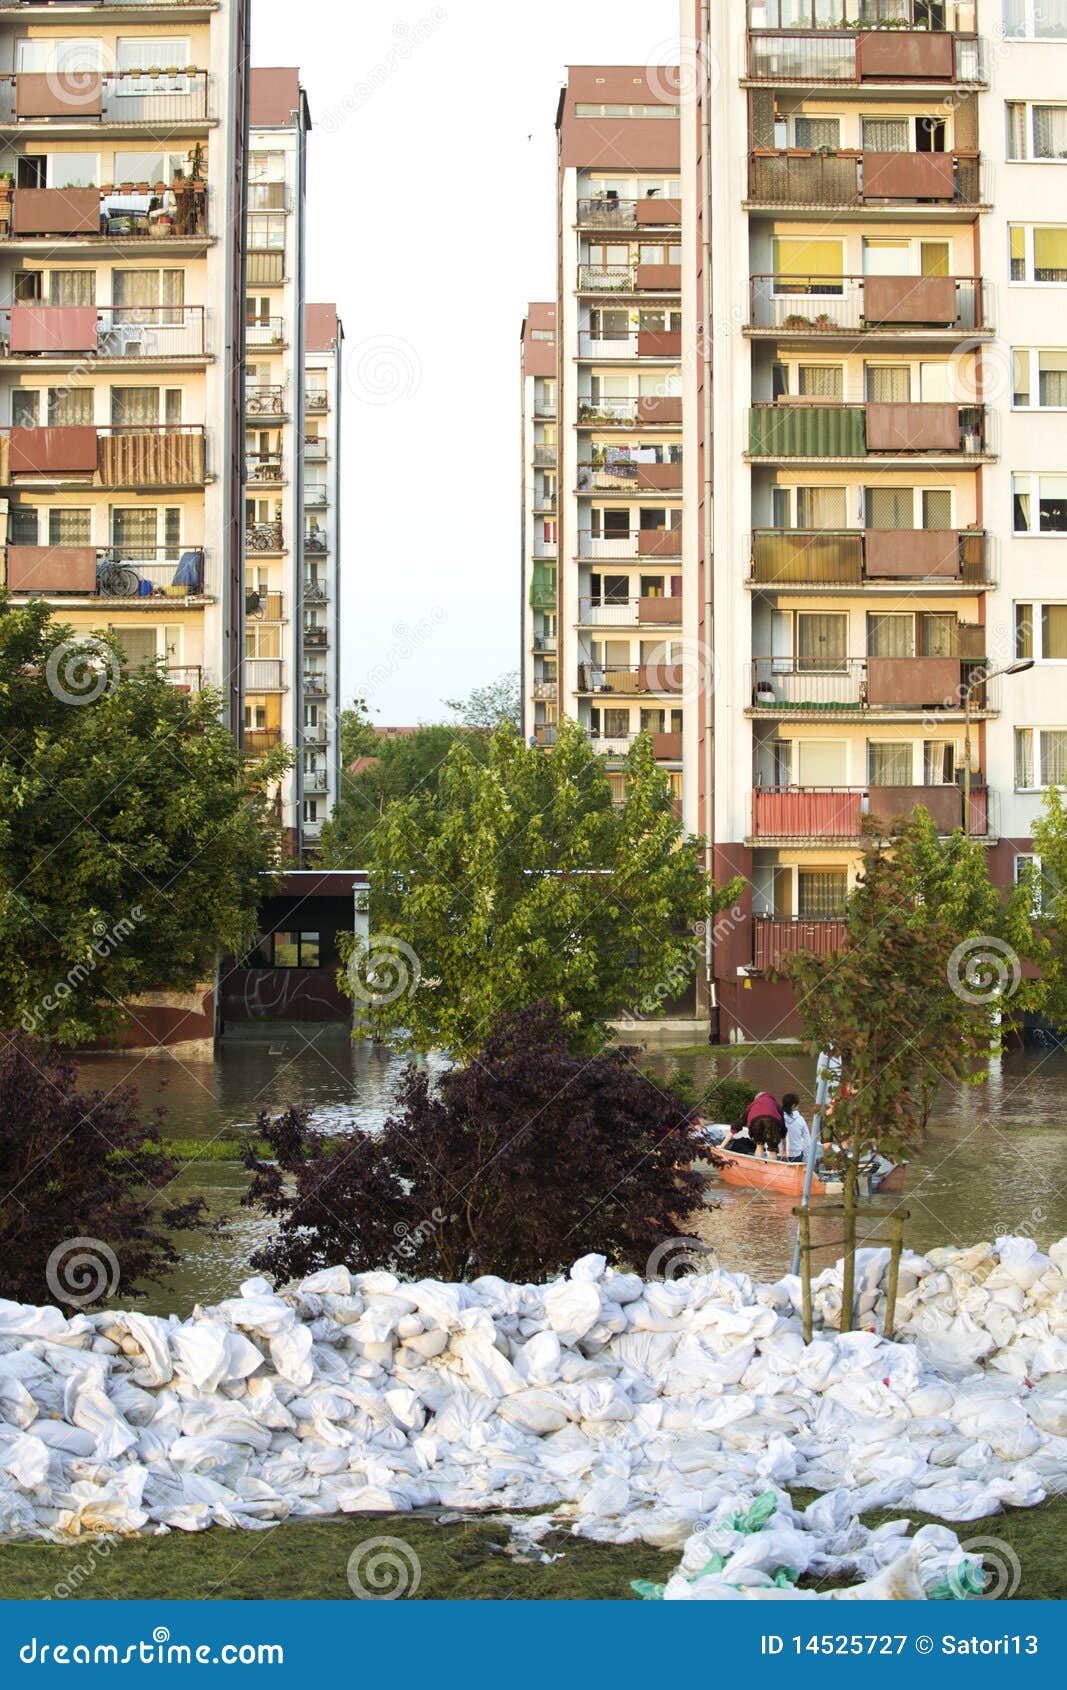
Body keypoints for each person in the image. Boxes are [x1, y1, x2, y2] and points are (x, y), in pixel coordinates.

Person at [745, 1090, 783, 1160]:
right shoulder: (775, 1104)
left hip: (756, 1122)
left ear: (757, 1099)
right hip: (773, 1123)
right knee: (772, 1149)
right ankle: (771, 1166)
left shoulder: (753, 1104)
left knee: (759, 1145)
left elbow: (740, 1122)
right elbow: (782, 1122)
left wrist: (723, 1144)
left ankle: (758, 1164)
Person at [780, 1093, 812, 1163]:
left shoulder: (778, 1117)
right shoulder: (800, 1119)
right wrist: (806, 1158)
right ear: (794, 1106)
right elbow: (807, 1140)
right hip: (796, 1155)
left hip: (780, 1153)